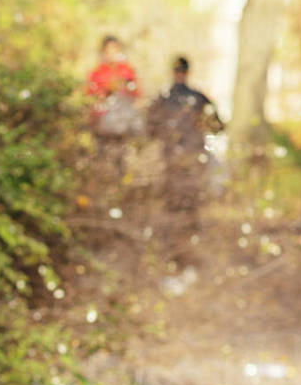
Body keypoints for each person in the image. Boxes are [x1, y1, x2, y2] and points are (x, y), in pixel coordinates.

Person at [147, 56, 225, 263]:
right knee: (190, 205)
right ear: (188, 72)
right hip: (191, 160)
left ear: (173, 72)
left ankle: (174, 251)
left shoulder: (162, 98)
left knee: (173, 205)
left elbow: (149, 129)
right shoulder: (199, 98)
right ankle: (186, 250)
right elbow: (219, 126)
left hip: (174, 161)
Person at [85, 35, 143, 139]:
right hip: (105, 114)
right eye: (108, 50)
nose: (111, 53)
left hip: (125, 112)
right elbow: (90, 97)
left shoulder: (126, 69)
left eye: (114, 49)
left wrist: (126, 88)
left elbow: (136, 92)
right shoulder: (97, 72)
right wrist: (107, 91)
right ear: (103, 51)